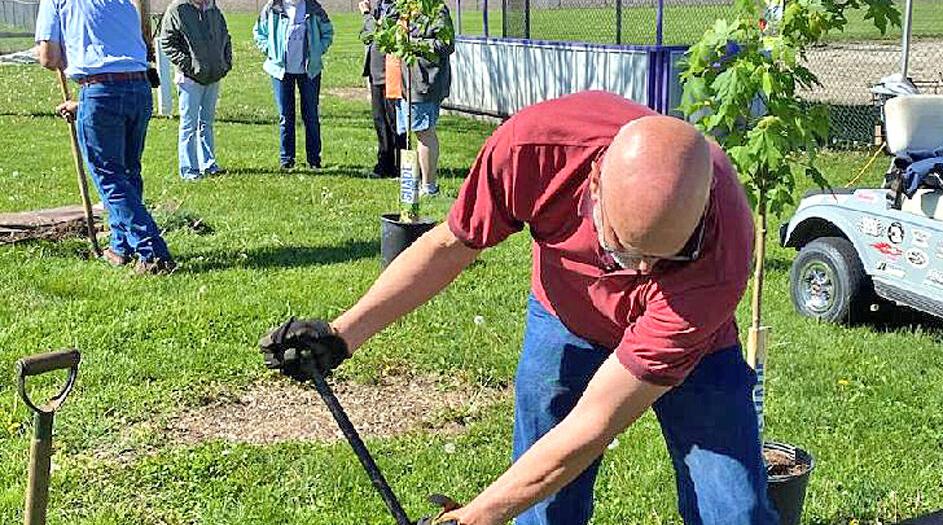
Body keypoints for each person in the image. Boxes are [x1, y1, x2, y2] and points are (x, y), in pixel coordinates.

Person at [260, 90, 777, 525]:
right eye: (622, 250)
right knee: (545, 508)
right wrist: (342, 334)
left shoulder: (722, 243)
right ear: (592, 186)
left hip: (698, 351)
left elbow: (596, 422)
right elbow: (451, 246)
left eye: (665, 258)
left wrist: (477, 516)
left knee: (736, 509)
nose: (640, 273)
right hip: (565, 320)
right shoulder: (535, 149)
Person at [36, 0, 175, 275]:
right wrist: (84, 104)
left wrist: (88, 94)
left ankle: (152, 252)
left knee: (110, 177)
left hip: (101, 90)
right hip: (137, 88)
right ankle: (121, 246)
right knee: (128, 173)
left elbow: (48, 58)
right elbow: (116, 50)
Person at [253, 0, 334, 170]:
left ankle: (314, 160)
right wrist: (270, 50)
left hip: (309, 71)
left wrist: (318, 51)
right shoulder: (273, 7)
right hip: (281, 71)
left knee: (311, 116)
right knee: (285, 116)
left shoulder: (314, 8)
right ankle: (286, 160)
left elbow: (328, 32)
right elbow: (259, 32)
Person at [160, 0, 233, 181]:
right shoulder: (177, 9)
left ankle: (208, 164)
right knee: (188, 126)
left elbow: (225, 36)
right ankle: (189, 170)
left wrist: (225, 63)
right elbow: (167, 43)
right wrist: (190, 66)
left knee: (206, 123)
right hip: (189, 80)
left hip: (213, 75)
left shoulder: (213, 9)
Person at [393, 2, 453, 195]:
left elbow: (446, 44)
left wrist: (414, 43)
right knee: (413, 132)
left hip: (424, 82)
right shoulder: (403, 8)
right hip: (404, 81)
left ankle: (429, 186)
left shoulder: (436, 9)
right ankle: (413, 184)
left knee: (424, 132)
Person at [360, 0, 404, 179]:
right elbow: (366, 36)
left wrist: (366, 15)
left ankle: (402, 166)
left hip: (391, 72)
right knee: (380, 120)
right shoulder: (379, 6)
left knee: (395, 122)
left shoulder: (399, 7)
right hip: (376, 71)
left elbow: (381, 32)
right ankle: (384, 163)